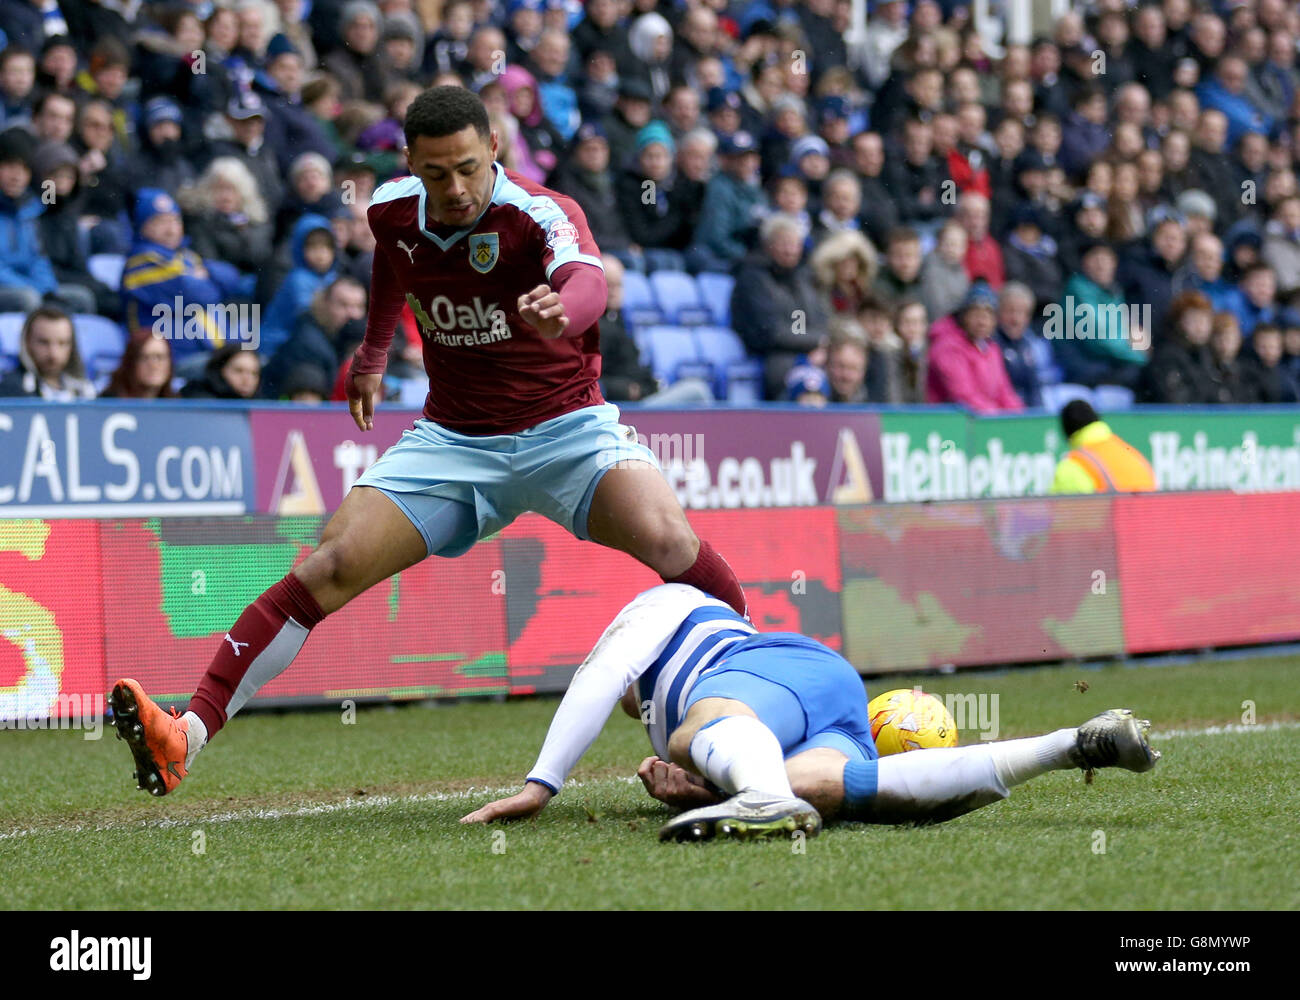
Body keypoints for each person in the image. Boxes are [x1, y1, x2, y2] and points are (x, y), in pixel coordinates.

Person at [110, 87, 748, 797]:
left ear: (494, 151)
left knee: (668, 540)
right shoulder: (390, 208)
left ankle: (758, 682)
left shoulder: (542, 212)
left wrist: (561, 309)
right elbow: (393, 260)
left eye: (469, 168)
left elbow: (587, 281)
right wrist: (374, 352)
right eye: (437, 173)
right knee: (332, 562)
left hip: (565, 428)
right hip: (454, 440)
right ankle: (184, 736)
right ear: (410, 163)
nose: (456, 189)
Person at [460, 583, 1161, 840]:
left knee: (695, 732)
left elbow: (599, 672)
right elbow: (735, 738)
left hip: (790, 669)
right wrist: (706, 791)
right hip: (823, 706)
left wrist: (540, 784)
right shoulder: (680, 709)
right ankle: (1075, 743)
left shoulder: (664, 604)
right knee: (833, 790)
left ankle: (762, 795)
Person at [925, 281, 1024, 413]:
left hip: (987, 420)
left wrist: (1020, 416)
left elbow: (1003, 391)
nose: (982, 322)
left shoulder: (991, 348)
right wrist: (998, 416)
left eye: (988, 316)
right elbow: (963, 395)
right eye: (976, 315)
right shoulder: (947, 348)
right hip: (951, 424)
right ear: (964, 317)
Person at [1049, 399, 1156, 495]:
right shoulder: (1132, 454)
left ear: (1067, 433)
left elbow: (1065, 513)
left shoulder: (1073, 465)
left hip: (1109, 517)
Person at [0, 305, 96, 399]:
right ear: (27, 342)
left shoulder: (85, 391)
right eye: (44, 343)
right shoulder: (10, 393)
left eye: (62, 343)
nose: (53, 354)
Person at [100, 333, 177, 399]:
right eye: (145, 357)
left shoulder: (178, 407)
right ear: (131, 363)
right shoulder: (106, 404)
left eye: (160, 357)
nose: (154, 365)